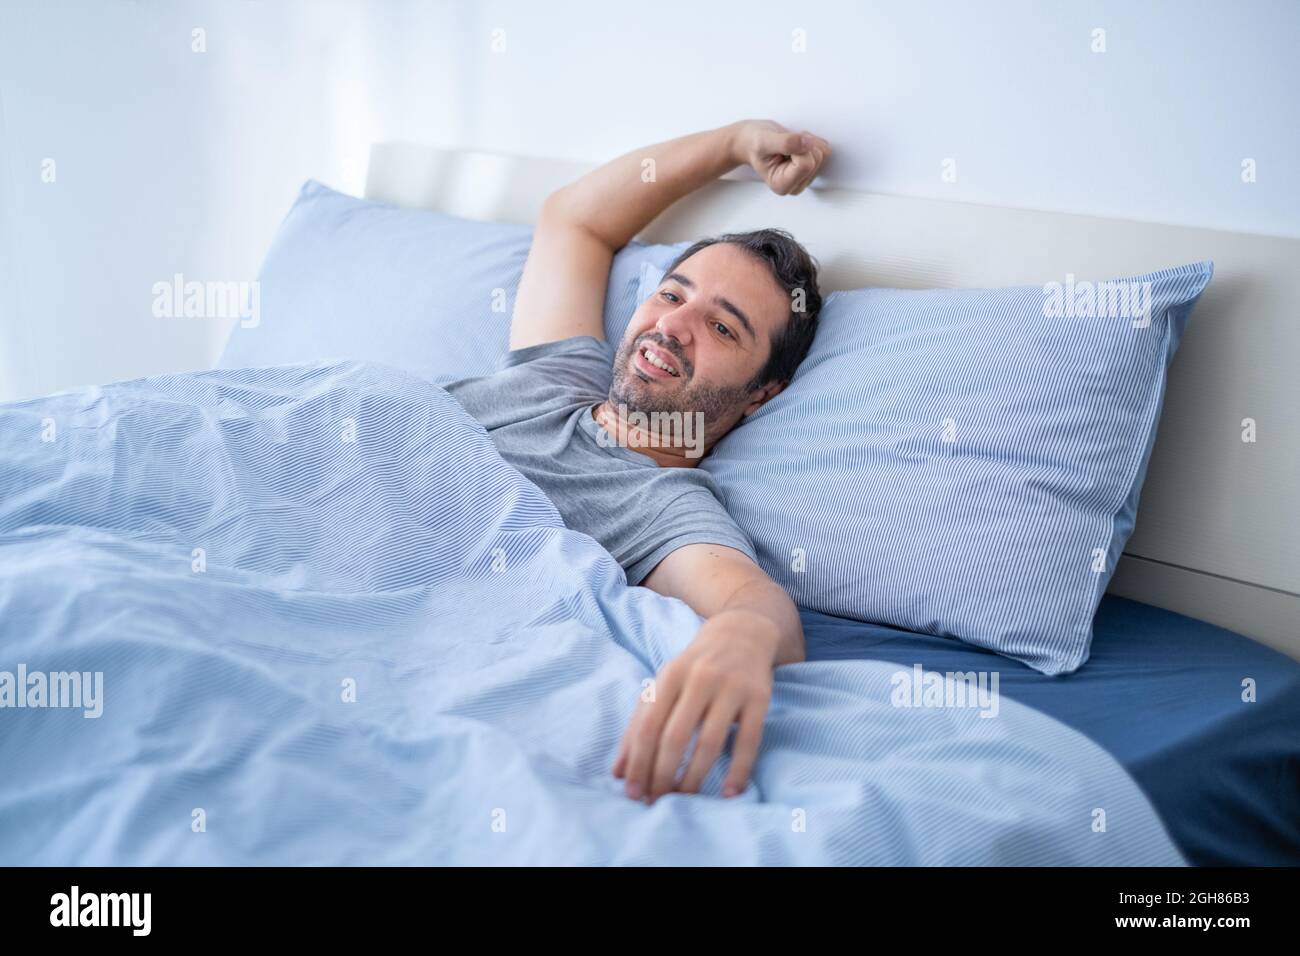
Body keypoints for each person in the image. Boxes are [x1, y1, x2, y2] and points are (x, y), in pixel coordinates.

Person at [445, 119, 831, 804]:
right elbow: (574, 220)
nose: (672, 326)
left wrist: (743, 637)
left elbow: (748, 599)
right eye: (672, 294)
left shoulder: (664, 502)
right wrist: (738, 143)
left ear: (762, 393)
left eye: (721, 327)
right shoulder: (561, 368)